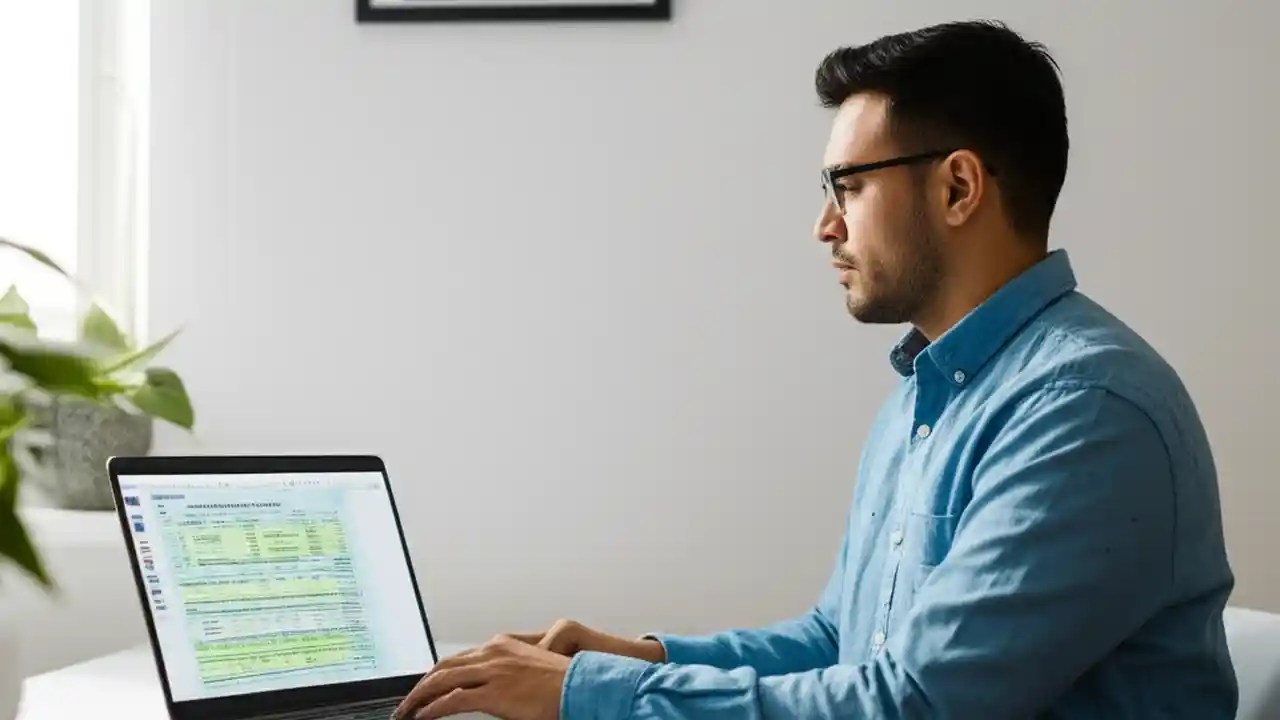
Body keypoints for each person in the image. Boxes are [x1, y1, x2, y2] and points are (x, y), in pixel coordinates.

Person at [394, 20, 1237, 720]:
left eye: (847, 186)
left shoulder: (1084, 412)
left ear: (958, 188)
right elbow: (842, 638)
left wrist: (589, 695)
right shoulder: (935, 392)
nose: (824, 227)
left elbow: (909, 705)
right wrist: (636, 655)